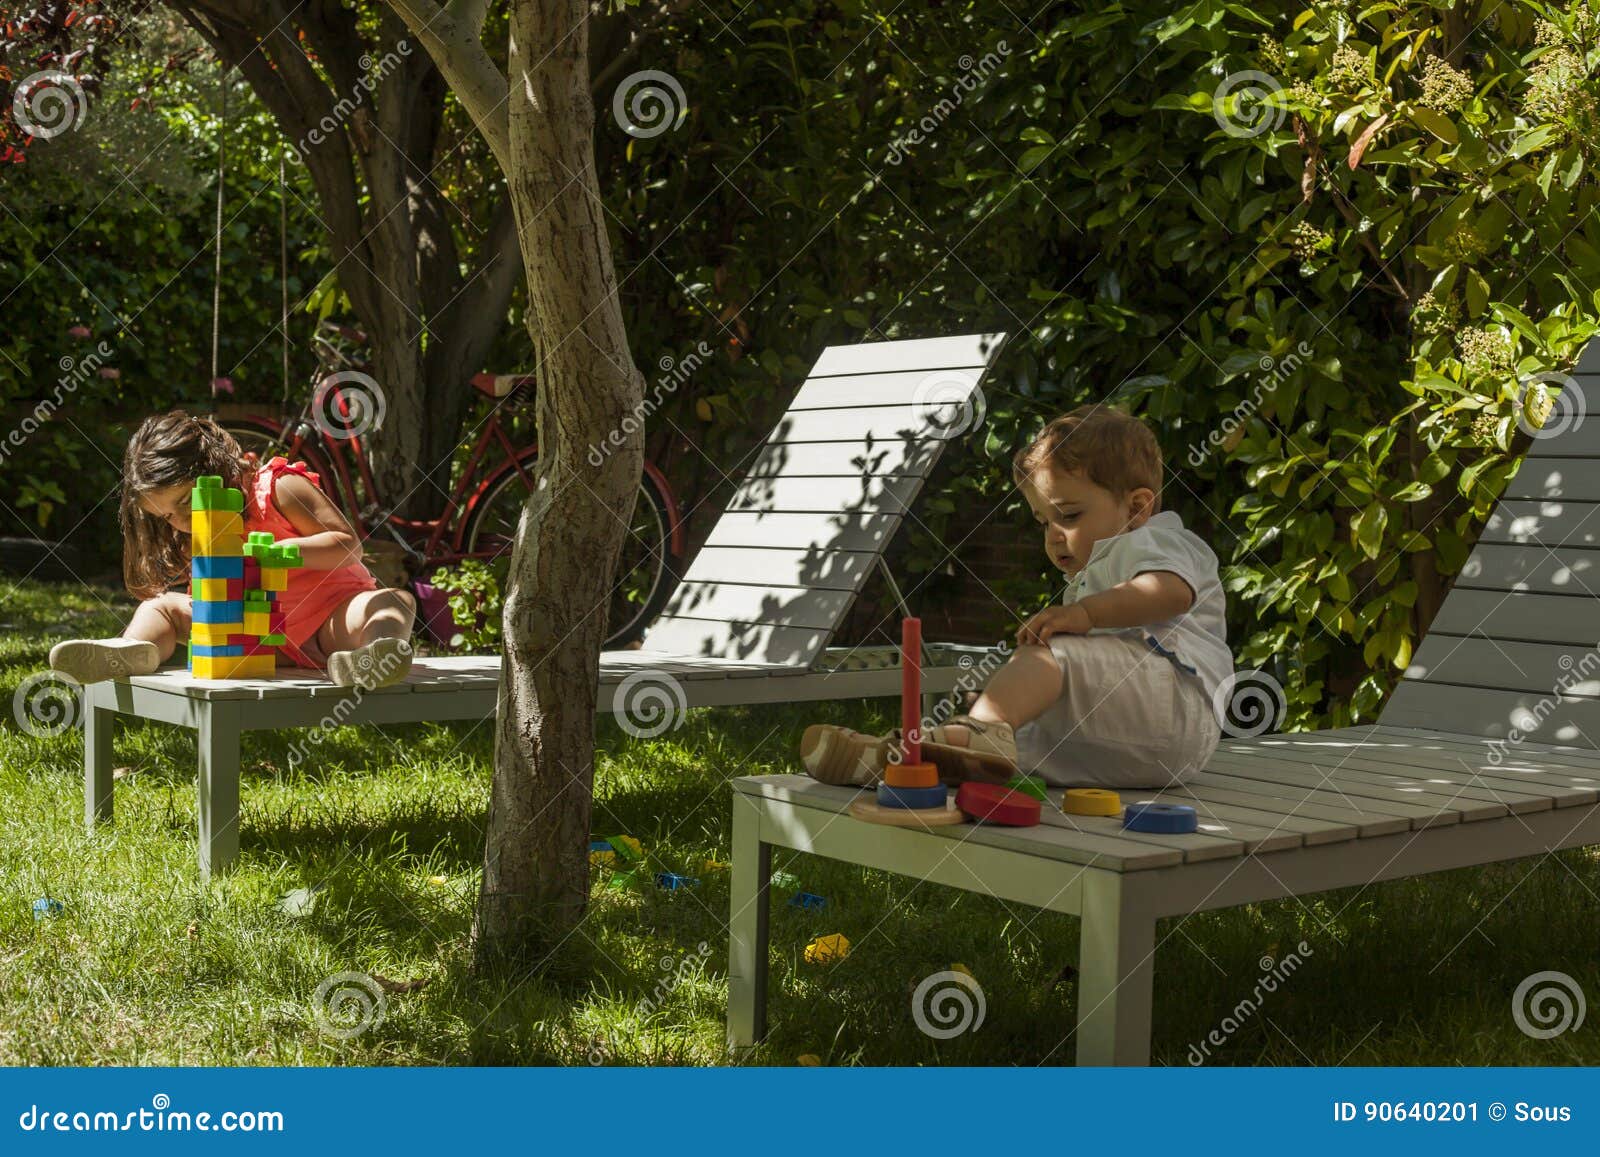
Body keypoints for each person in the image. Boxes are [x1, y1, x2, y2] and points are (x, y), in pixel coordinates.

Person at [802, 403, 1231, 790]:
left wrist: (1083, 614)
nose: (1054, 536)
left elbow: (1170, 592)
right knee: (1024, 738)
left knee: (1050, 653)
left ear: (1137, 507)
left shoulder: (1155, 539)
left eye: (1069, 515)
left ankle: (975, 733)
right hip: (1140, 742)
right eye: (1044, 521)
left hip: (1176, 708)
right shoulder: (1100, 567)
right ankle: (916, 756)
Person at [49, 411, 415, 689]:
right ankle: (131, 650)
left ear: (213, 470)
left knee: (394, 601)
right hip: (249, 637)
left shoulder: (278, 488)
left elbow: (346, 545)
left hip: (328, 623)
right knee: (161, 606)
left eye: (183, 501)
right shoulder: (199, 525)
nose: (179, 520)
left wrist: (277, 552)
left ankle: (377, 654)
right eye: (165, 515)